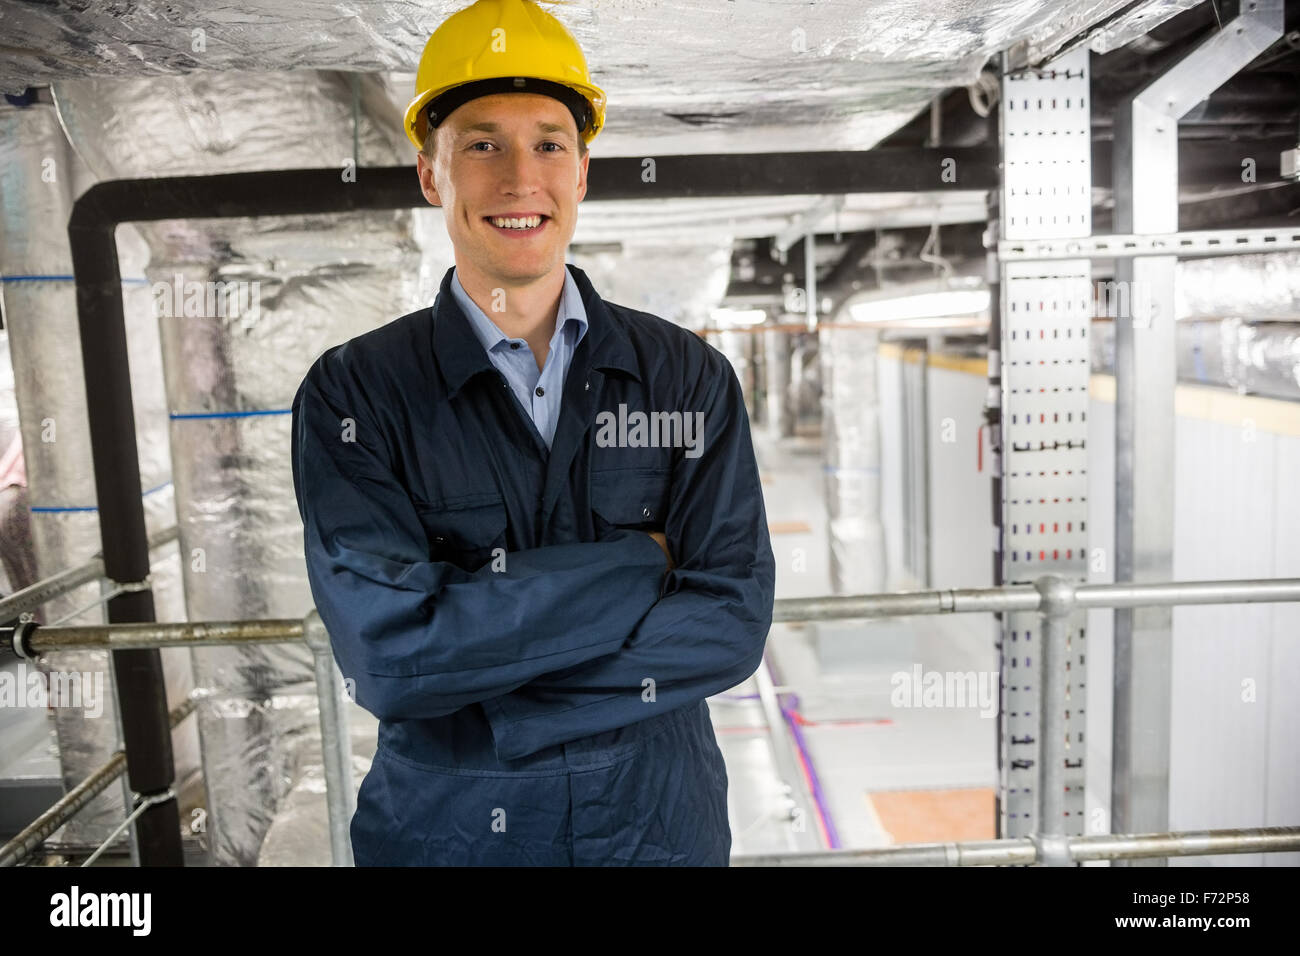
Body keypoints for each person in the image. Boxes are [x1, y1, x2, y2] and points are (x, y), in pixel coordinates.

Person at [291, 0, 775, 866]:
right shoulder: (355, 393)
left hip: (656, 830)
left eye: (549, 143)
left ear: (582, 172)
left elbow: (730, 624)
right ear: (431, 174)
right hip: (449, 837)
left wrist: (494, 692)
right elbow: (390, 655)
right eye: (482, 143)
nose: (521, 179)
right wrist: (644, 561)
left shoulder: (685, 379)